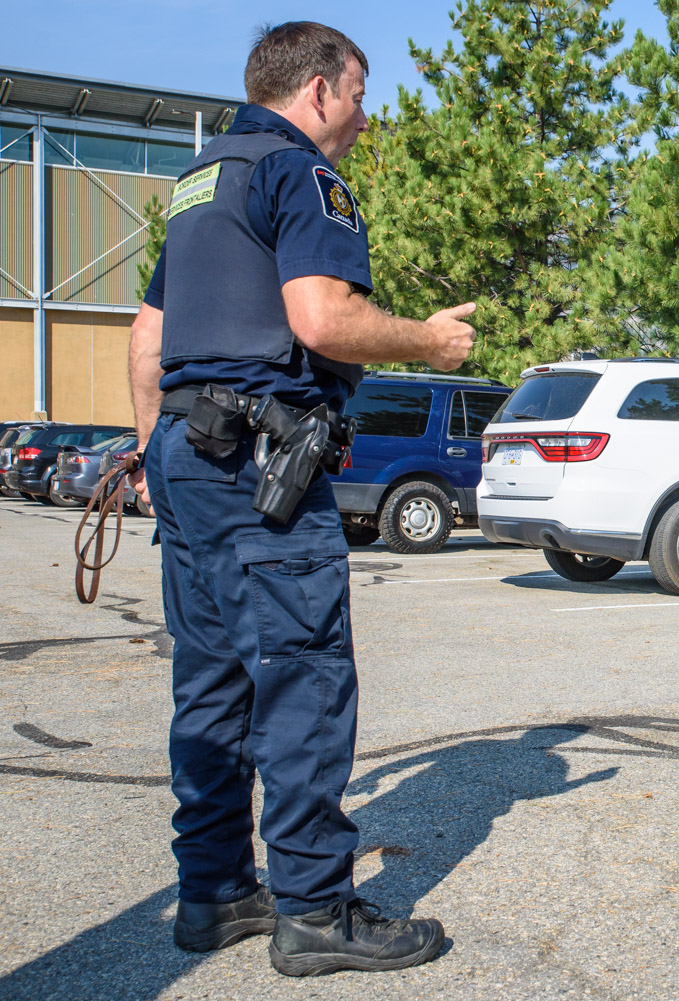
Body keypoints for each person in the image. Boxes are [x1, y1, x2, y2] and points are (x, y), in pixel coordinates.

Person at [127, 22, 475, 976]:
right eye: (359, 95)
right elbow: (323, 317)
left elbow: (146, 338)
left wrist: (159, 461)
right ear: (319, 89)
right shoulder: (298, 174)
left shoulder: (203, 182)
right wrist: (429, 342)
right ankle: (317, 911)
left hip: (190, 458)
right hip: (261, 468)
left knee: (210, 686)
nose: (364, 118)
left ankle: (216, 892)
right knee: (304, 680)